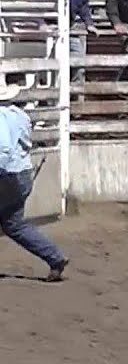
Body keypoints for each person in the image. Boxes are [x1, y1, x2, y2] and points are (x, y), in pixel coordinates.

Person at [0, 79, 70, 282]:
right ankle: (55, 258)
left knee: (14, 224)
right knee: (14, 224)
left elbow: (3, 149)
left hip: (6, 175)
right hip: (22, 174)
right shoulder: (19, 115)